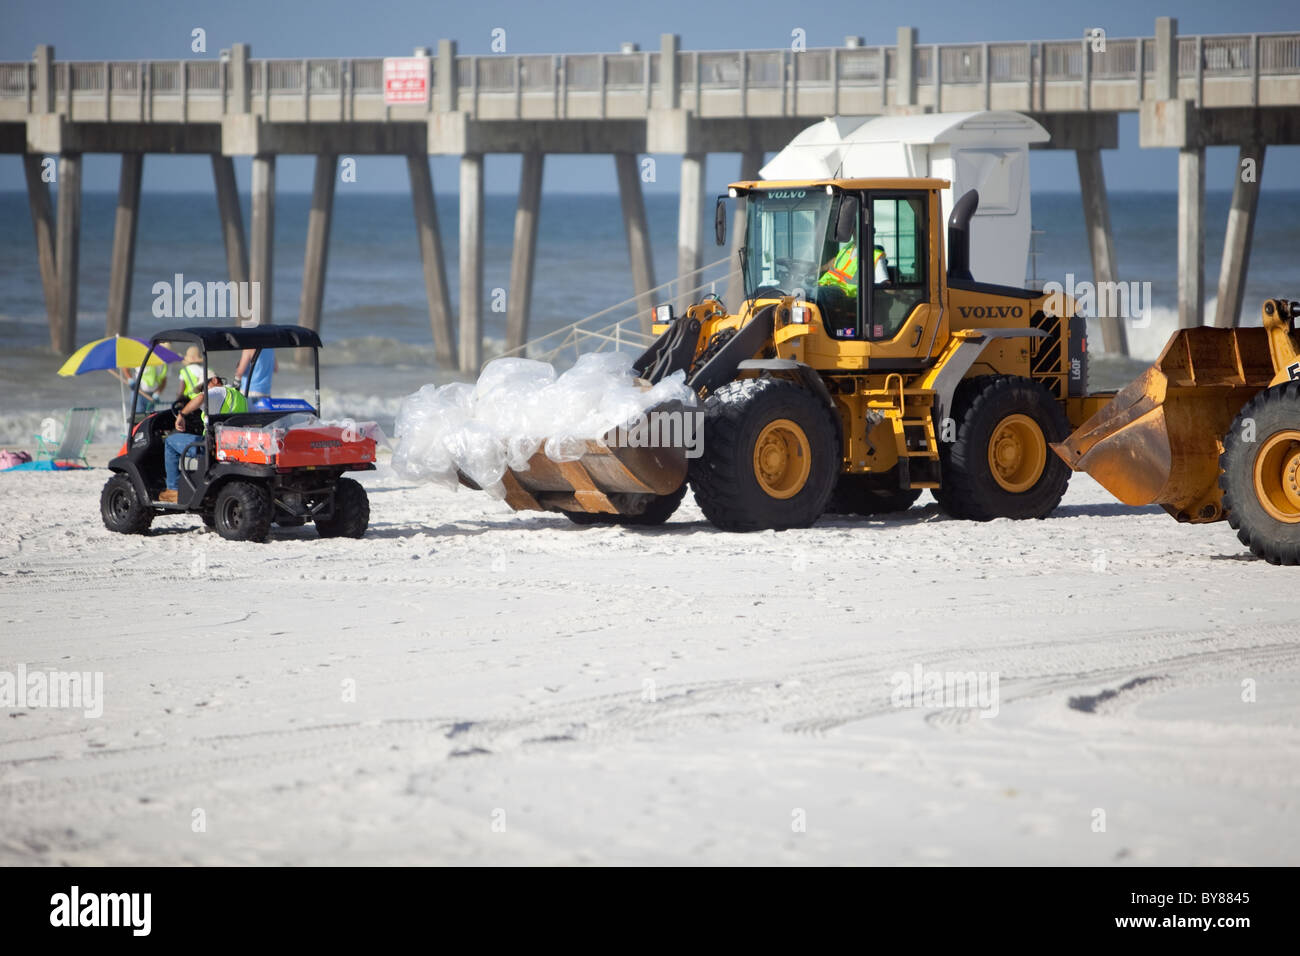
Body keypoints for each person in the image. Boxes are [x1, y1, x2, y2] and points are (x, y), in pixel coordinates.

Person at [159, 374, 248, 503]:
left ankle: (173, 490)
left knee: (169, 441)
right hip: (232, 445)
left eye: (204, 387)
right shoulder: (240, 397)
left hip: (211, 445)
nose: (203, 390)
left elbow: (201, 397)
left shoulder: (217, 391)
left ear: (215, 380)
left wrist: (182, 414)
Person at [818, 242, 890, 294]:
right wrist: (818, 269)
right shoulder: (848, 247)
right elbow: (834, 262)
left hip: (847, 297)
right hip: (825, 286)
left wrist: (899, 293)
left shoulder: (875, 254)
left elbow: (884, 284)